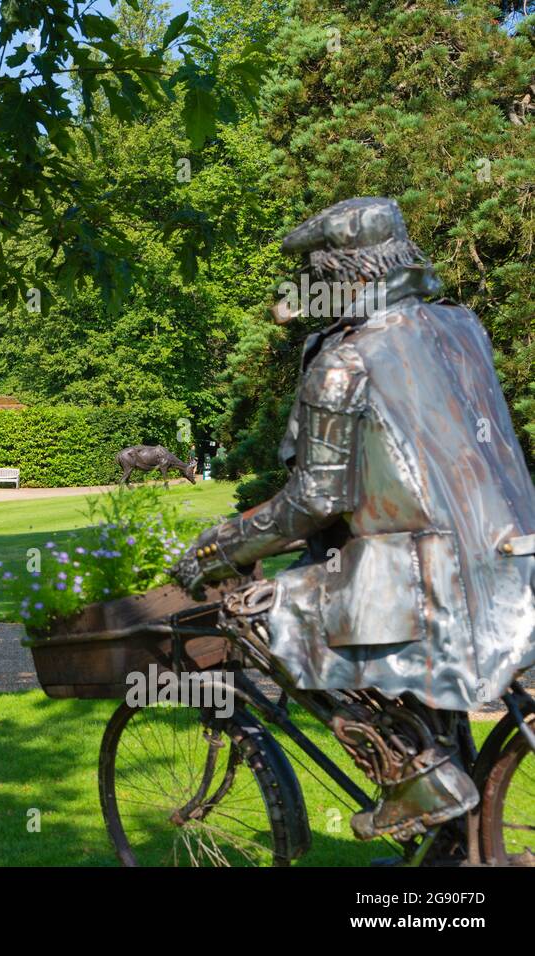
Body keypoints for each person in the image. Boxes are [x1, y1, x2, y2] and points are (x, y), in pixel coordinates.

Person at [173, 197, 535, 841]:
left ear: (343, 278)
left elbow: (312, 501)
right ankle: (448, 819)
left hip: (426, 578)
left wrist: (215, 548)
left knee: (256, 614)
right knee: (357, 621)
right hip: (509, 553)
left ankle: (414, 774)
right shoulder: (460, 328)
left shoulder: (345, 365)